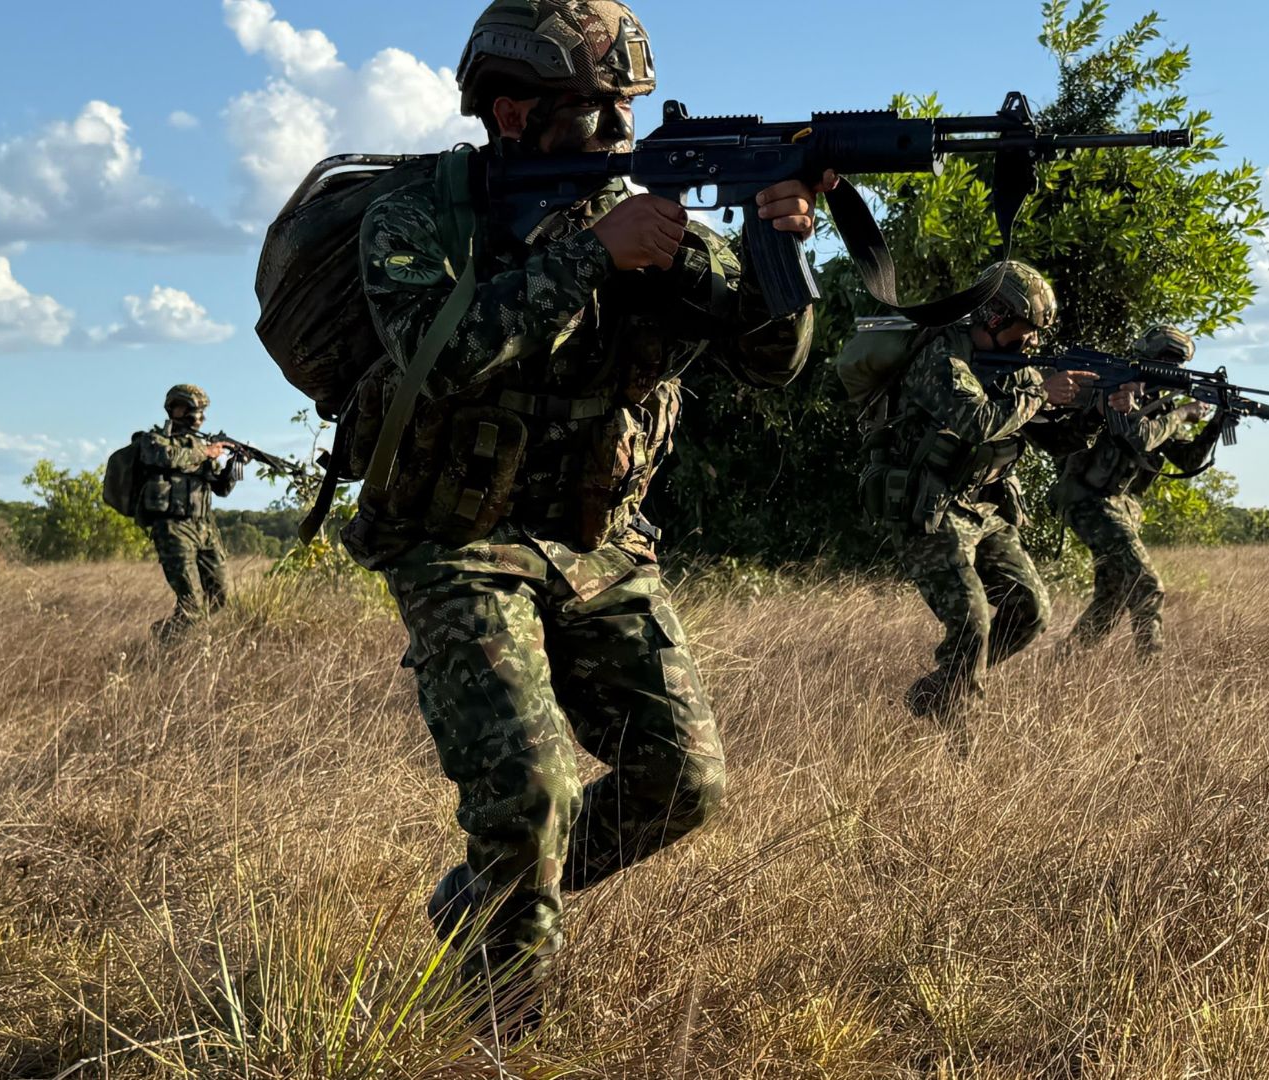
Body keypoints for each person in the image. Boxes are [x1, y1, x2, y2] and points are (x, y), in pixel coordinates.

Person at [345, 0, 834, 1034]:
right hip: (457, 538)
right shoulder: (417, 215)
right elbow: (440, 356)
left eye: (630, 105)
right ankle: (498, 1026)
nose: (621, 128)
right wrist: (592, 256)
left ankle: (490, 898)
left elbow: (771, 361)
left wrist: (779, 240)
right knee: (532, 794)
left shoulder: (652, 224)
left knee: (683, 784)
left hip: (598, 541)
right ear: (512, 111)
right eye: (596, 105)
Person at [864, 261, 1102, 723]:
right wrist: (1042, 394)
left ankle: (940, 690)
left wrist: (1094, 413)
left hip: (985, 506)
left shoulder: (1016, 369)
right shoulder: (940, 359)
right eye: (1026, 328)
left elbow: (1053, 441)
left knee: (1030, 610)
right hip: (931, 506)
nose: (1033, 341)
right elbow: (977, 422)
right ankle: (960, 741)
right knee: (972, 621)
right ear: (995, 316)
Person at [1052, 326, 1221, 654]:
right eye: (1165, 361)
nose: (1172, 369)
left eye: (1176, 364)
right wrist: (1184, 412)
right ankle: (1152, 672)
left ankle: (1067, 658)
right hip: (1088, 501)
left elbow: (1186, 460)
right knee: (1147, 586)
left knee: (1113, 596)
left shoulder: (1155, 404)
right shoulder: (1115, 385)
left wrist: (1216, 421)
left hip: (1114, 506)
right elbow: (1141, 437)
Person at [136, 384, 241, 641]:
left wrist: (233, 466)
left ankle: (182, 639)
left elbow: (221, 488)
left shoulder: (200, 447)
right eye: (191, 409)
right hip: (174, 529)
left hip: (205, 528)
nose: (198, 416)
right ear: (174, 408)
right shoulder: (154, 439)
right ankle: (165, 645)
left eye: (201, 411)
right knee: (191, 605)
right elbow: (167, 457)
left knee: (220, 597)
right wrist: (206, 452)